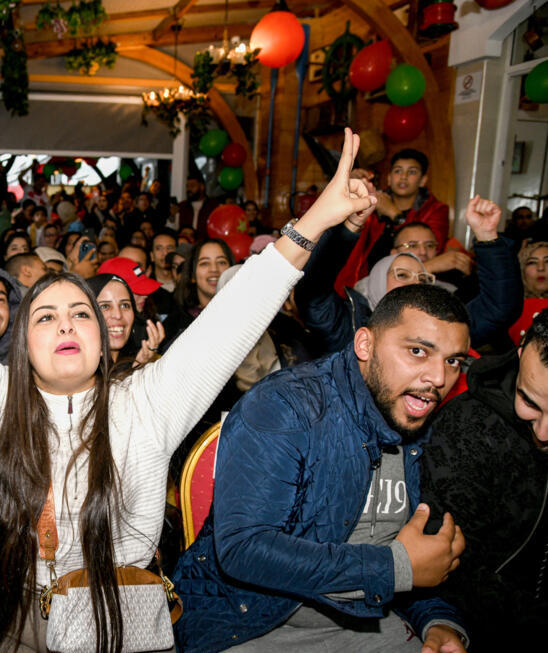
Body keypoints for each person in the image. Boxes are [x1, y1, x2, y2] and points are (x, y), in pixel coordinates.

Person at [0, 101, 375, 652]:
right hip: (9, 620)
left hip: (116, 622)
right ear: (22, 344)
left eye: (82, 313)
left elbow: (232, 317)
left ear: (104, 340)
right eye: (45, 316)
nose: (66, 324)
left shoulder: (146, 404)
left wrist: (318, 220)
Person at [174, 285, 470, 653]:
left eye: (453, 360)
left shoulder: (422, 422)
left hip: (368, 624)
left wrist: (437, 620)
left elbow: (418, 558)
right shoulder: (286, 407)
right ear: (365, 345)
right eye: (417, 351)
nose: (438, 378)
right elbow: (244, 549)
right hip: (249, 624)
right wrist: (392, 569)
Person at [420, 310, 548, 651]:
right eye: (529, 401)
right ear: (521, 354)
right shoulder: (469, 428)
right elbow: (453, 572)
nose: (544, 432)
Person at [297, 195, 522, 356]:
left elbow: (498, 308)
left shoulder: (442, 325)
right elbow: (313, 292)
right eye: (402, 275)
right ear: (377, 281)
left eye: (423, 279)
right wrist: (349, 227)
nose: (415, 283)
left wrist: (487, 236)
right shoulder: (350, 323)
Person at [336, 150, 450, 293]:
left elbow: (427, 253)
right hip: (364, 282)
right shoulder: (374, 200)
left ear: (423, 180)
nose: (403, 177)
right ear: (389, 178)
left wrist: (395, 214)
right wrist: (348, 189)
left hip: (409, 285)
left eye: (412, 172)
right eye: (398, 171)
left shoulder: (436, 210)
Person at [86, 274, 164, 368]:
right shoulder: (77, 370)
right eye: (105, 306)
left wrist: (140, 366)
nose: (118, 315)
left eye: (125, 305)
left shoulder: (138, 358)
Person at [163, 239, 233, 343]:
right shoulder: (174, 324)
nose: (214, 269)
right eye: (205, 263)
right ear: (192, 275)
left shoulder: (248, 316)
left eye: (221, 262)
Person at [178, 172, 219, 239]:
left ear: (202, 187)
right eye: (187, 186)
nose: (189, 189)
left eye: (192, 186)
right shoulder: (182, 206)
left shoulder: (213, 206)